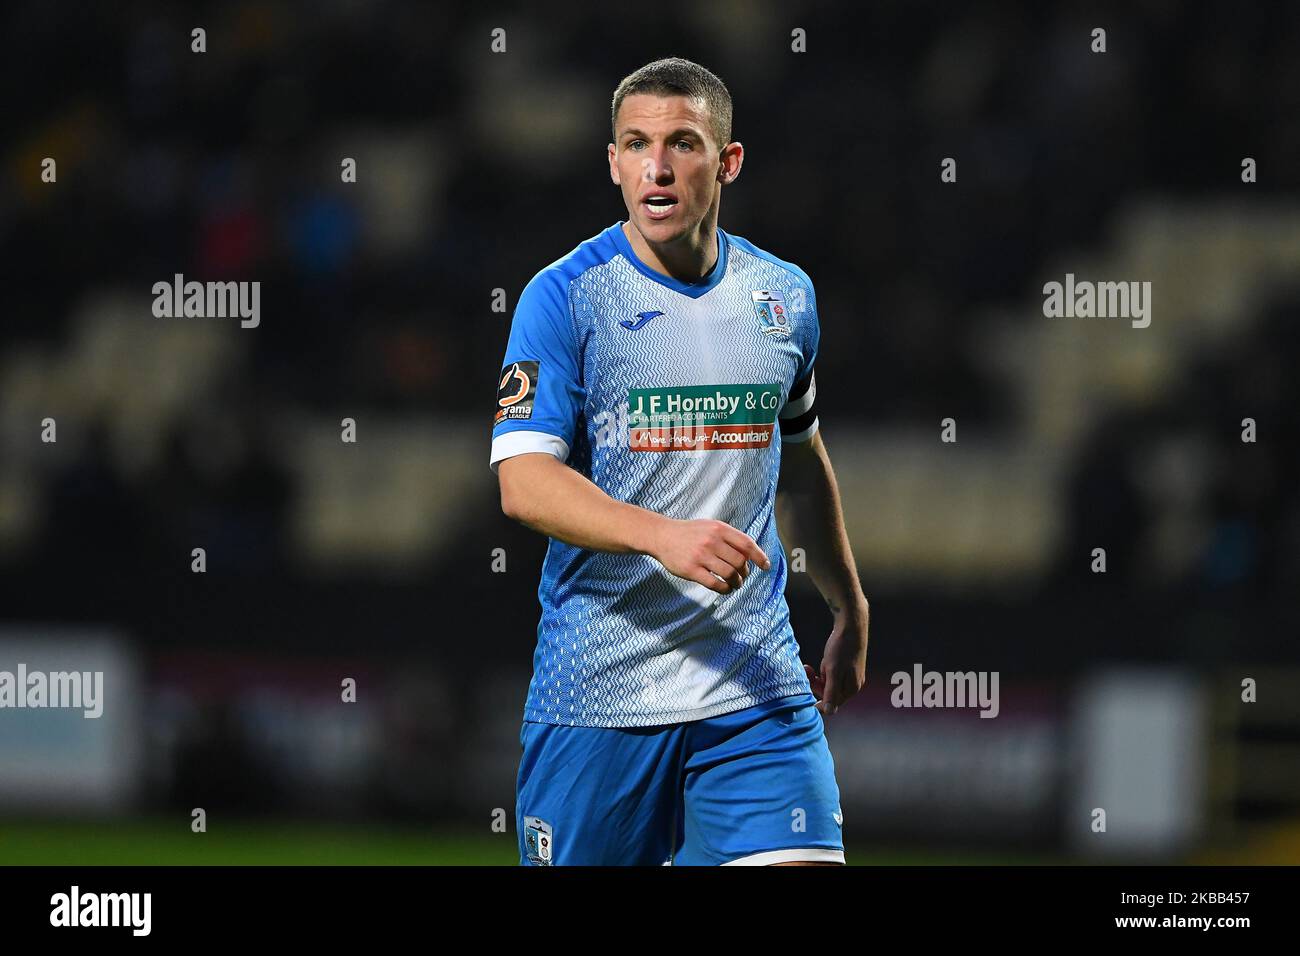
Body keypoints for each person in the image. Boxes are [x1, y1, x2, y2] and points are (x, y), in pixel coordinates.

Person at [490, 57, 870, 865]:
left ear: (727, 162)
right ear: (614, 162)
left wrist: (848, 604)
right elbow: (523, 484)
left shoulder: (783, 298)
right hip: (600, 697)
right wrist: (663, 535)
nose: (657, 167)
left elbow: (799, 461)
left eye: (683, 144)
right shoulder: (565, 297)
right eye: (636, 144)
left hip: (755, 688)